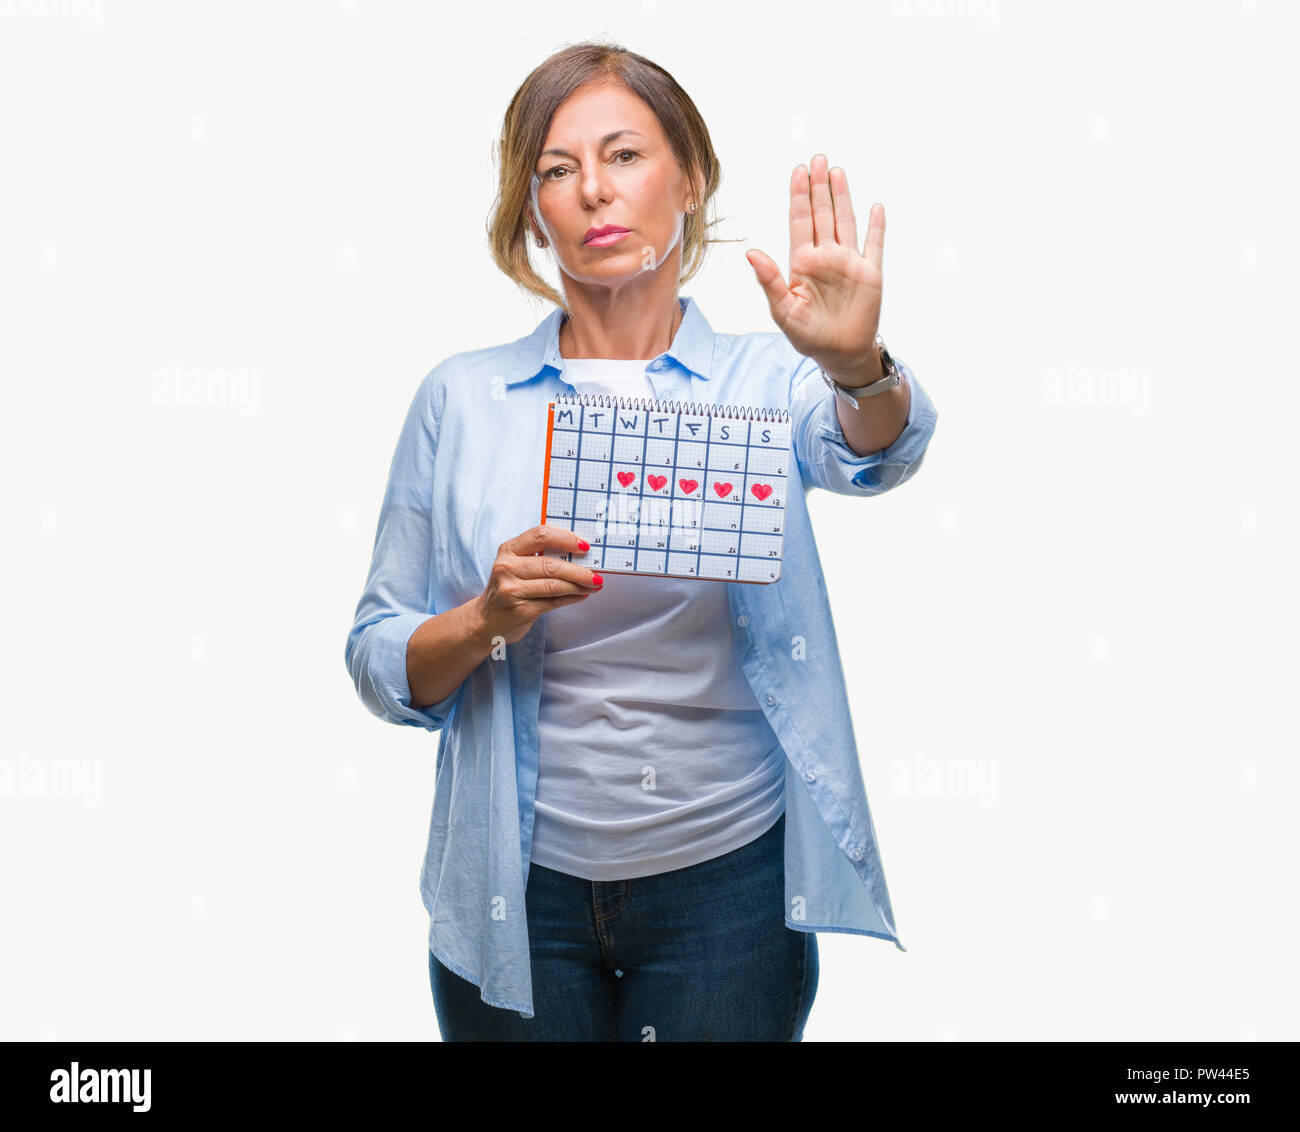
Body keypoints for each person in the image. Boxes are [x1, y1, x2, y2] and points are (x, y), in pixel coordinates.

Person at [344, 40, 938, 1042]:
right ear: (530, 210)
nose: (593, 191)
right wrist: (485, 618)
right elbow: (377, 653)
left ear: (690, 179)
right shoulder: (462, 397)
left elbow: (873, 452)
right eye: (557, 169)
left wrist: (856, 367)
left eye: (623, 155)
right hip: (513, 889)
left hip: (727, 885)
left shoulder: (767, 379)